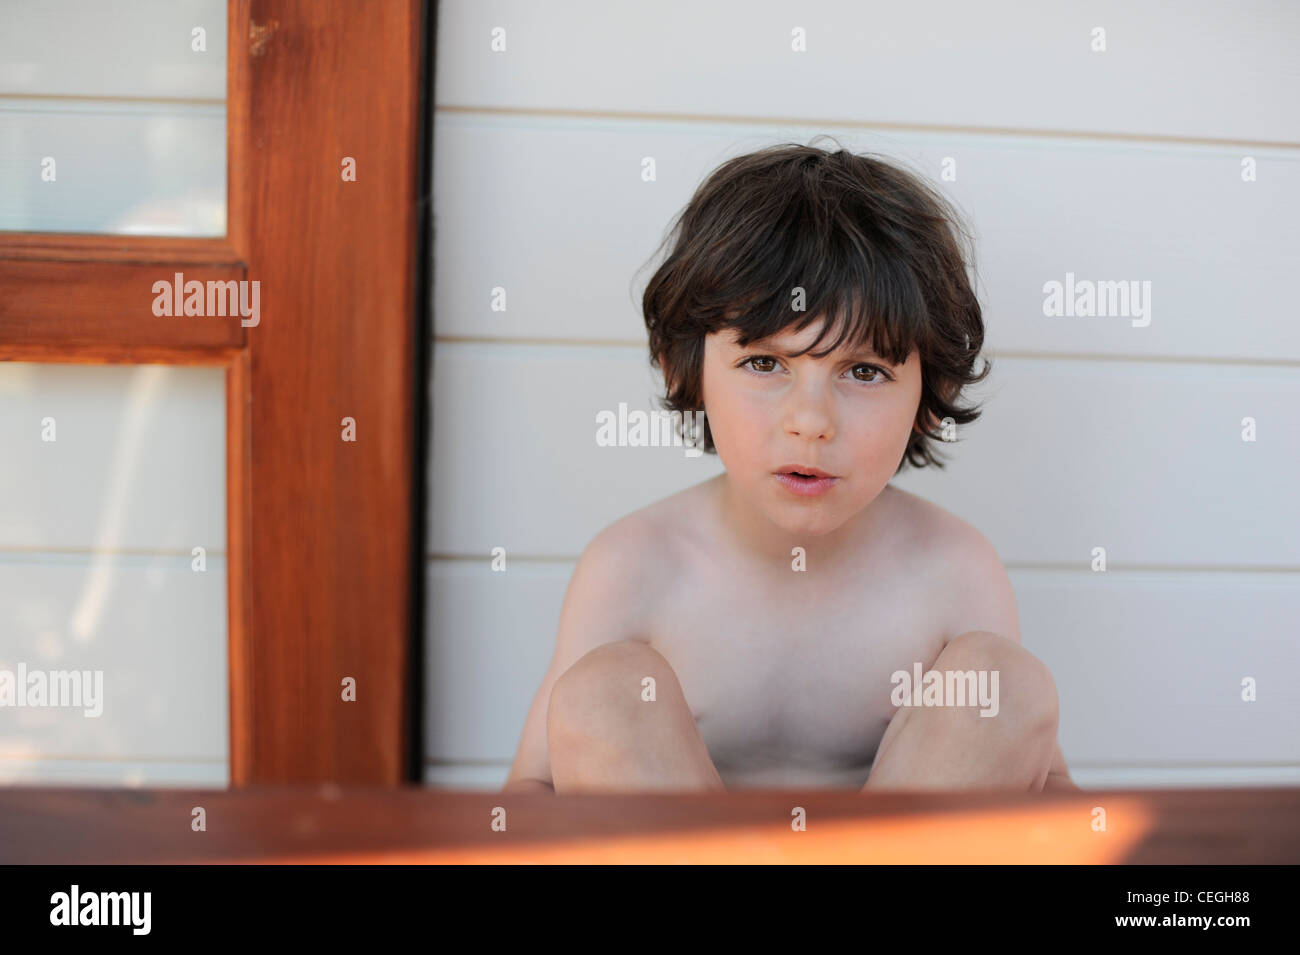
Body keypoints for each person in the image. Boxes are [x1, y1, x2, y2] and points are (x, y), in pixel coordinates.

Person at [504, 138, 1077, 794]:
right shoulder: (633, 566)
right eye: (764, 363)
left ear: (930, 396)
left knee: (1003, 686)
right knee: (602, 693)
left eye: (864, 371)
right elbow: (533, 789)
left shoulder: (953, 568)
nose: (810, 421)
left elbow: (1043, 777)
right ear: (685, 369)